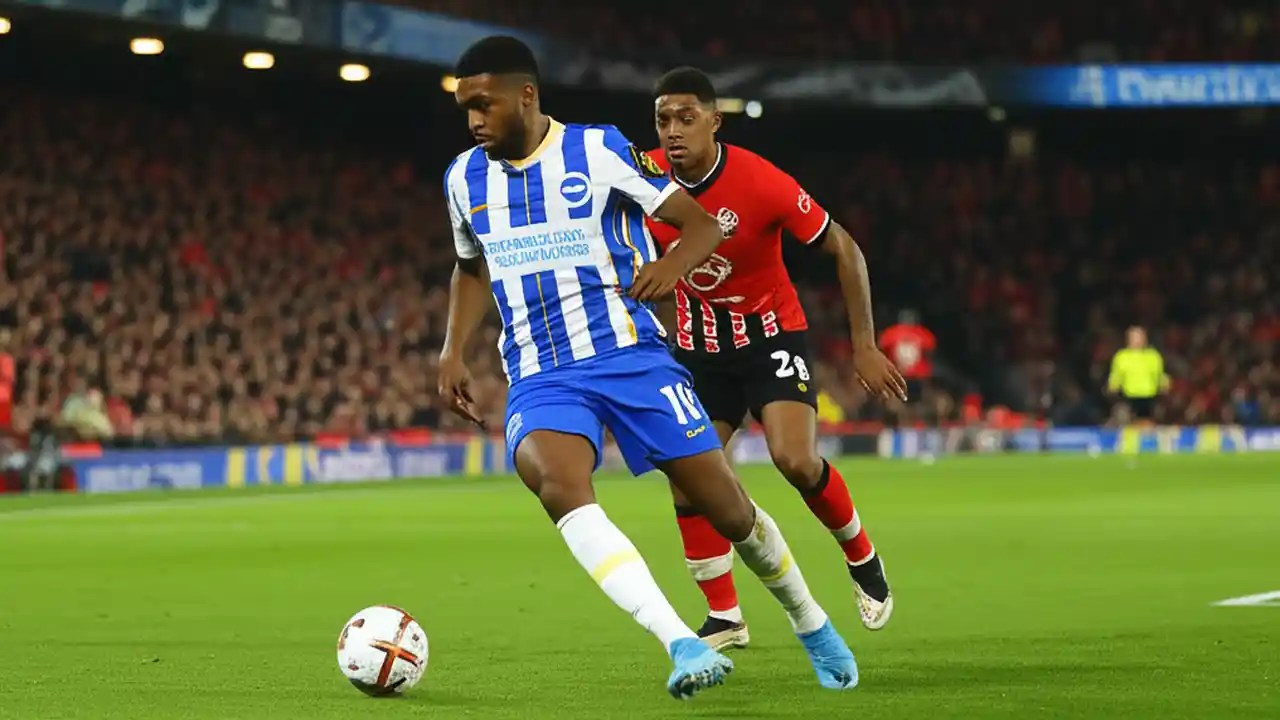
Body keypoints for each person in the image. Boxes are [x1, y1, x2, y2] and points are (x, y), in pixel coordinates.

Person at [436, 37, 858, 699]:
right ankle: (682, 643)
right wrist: (452, 349)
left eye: (483, 104)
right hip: (542, 374)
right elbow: (470, 266)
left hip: (631, 358)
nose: (473, 120)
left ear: (526, 95)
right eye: (465, 108)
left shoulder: (597, 151)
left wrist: (671, 267)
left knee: (726, 509)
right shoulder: (463, 178)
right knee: (556, 483)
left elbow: (702, 225)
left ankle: (810, 620)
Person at [644, 67, 906, 651]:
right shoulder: (644, 177)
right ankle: (725, 618)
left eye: (687, 118)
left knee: (793, 459)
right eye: (664, 120)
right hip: (699, 352)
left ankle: (861, 556)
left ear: (714, 121)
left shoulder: (760, 182)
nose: (674, 132)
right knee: (689, 474)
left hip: (770, 338)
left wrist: (863, 344)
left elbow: (845, 248)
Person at [1106, 326, 1169, 426]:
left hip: (1150, 398)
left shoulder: (1153, 356)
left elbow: (1161, 377)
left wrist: (1164, 386)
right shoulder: (1121, 357)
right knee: (1121, 416)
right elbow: (1115, 379)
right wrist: (1112, 387)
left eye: (1140, 337)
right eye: (1134, 337)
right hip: (1128, 398)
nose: (1137, 340)